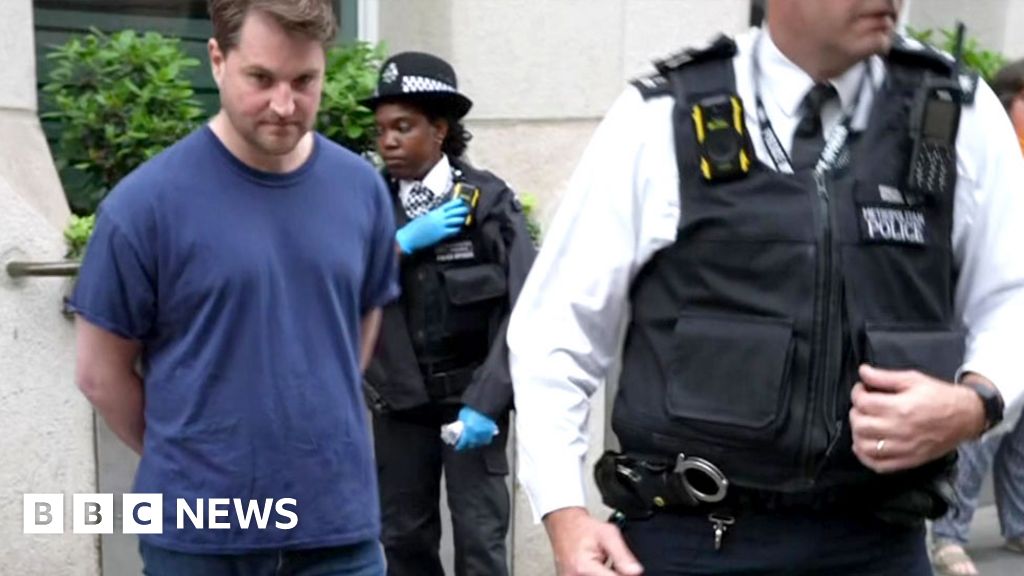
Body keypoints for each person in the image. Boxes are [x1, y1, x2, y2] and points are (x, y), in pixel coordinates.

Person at [508, 1, 1024, 575]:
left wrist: (976, 403)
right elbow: (557, 329)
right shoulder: (661, 115)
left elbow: (1013, 296)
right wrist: (564, 513)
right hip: (691, 543)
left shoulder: (956, 114)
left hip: (878, 544)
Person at [70, 0, 398, 573]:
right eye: (261, 78)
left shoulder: (362, 191)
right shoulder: (144, 206)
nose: (284, 104)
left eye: (304, 80)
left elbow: (363, 323)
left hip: (337, 530)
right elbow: (99, 374)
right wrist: (194, 455)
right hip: (199, 542)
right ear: (218, 60)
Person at [360, 52, 536, 576]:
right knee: (403, 541)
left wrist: (489, 401)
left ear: (439, 130)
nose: (388, 141)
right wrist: (396, 245)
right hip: (400, 406)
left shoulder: (488, 202)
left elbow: (527, 307)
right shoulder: (366, 206)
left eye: (404, 127)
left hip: (471, 403)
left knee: (481, 543)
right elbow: (333, 286)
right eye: (382, 129)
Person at [929, 57, 1024, 576]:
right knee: (981, 436)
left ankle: (1018, 524)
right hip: (987, 323)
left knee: (1022, 440)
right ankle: (949, 535)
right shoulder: (982, 154)